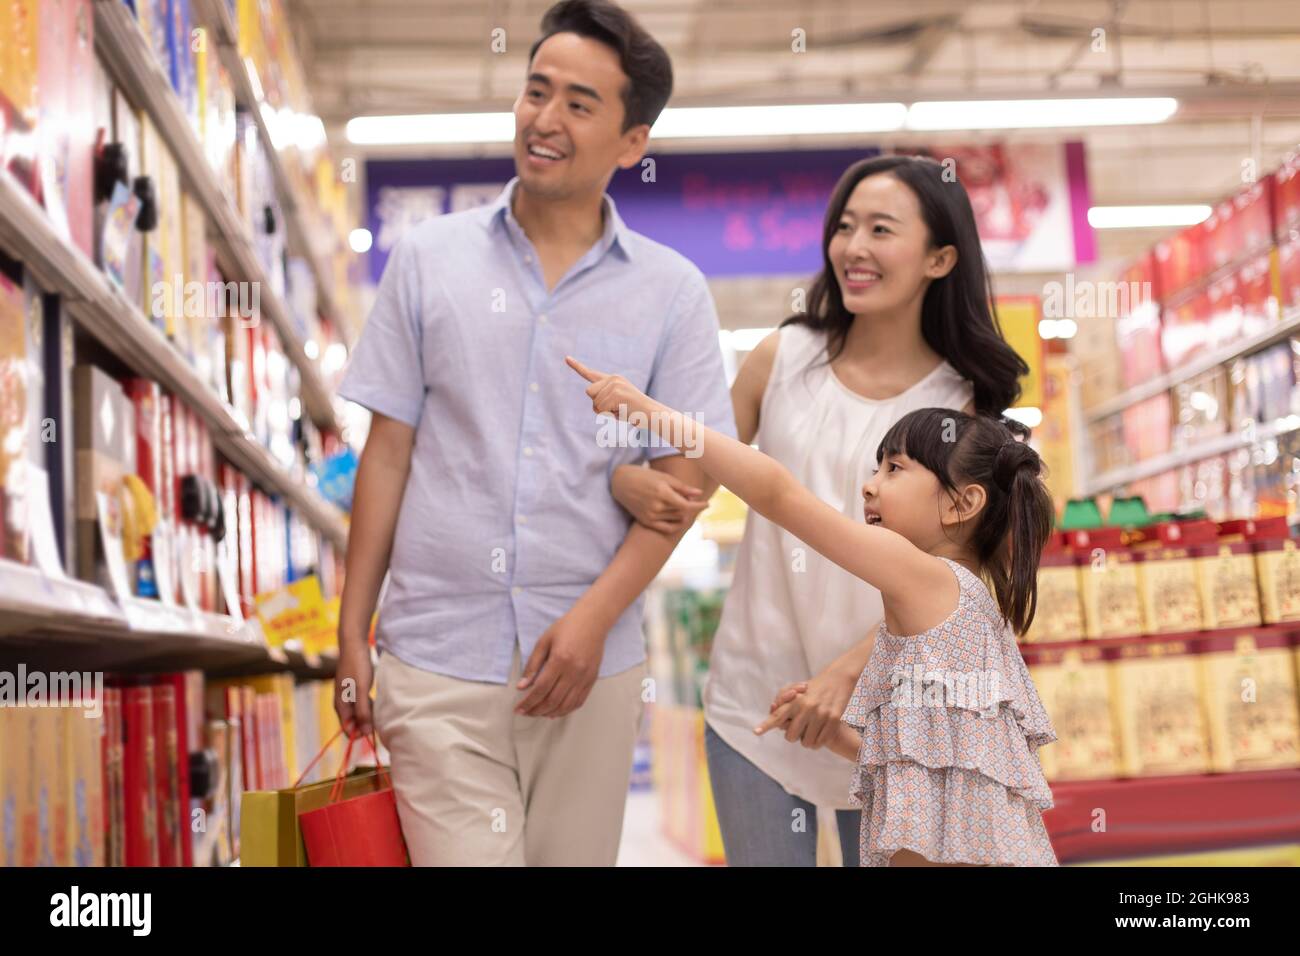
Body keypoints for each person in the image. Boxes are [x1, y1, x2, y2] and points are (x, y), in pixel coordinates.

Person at [333, 0, 735, 866]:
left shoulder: (672, 292)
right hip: (434, 655)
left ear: (632, 142)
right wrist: (348, 636)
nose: (544, 120)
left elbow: (686, 485)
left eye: (579, 104)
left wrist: (592, 619)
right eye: (535, 91)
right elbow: (388, 454)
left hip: (590, 668)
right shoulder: (429, 261)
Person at [608, 155, 1028, 865]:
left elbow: (962, 575)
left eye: (881, 230)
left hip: (897, 717)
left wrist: (847, 673)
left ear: (940, 257)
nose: (853, 247)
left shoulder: (964, 401)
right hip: (757, 703)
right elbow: (688, 487)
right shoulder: (781, 357)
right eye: (844, 226)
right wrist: (629, 481)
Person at [567, 359, 1059, 867]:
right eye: (877, 467)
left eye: (895, 468)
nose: (869, 485)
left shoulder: (924, 577)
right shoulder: (968, 606)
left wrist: (651, 414)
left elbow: (777, 494)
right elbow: (924, 761)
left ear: (963, 504)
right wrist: (833, 736)